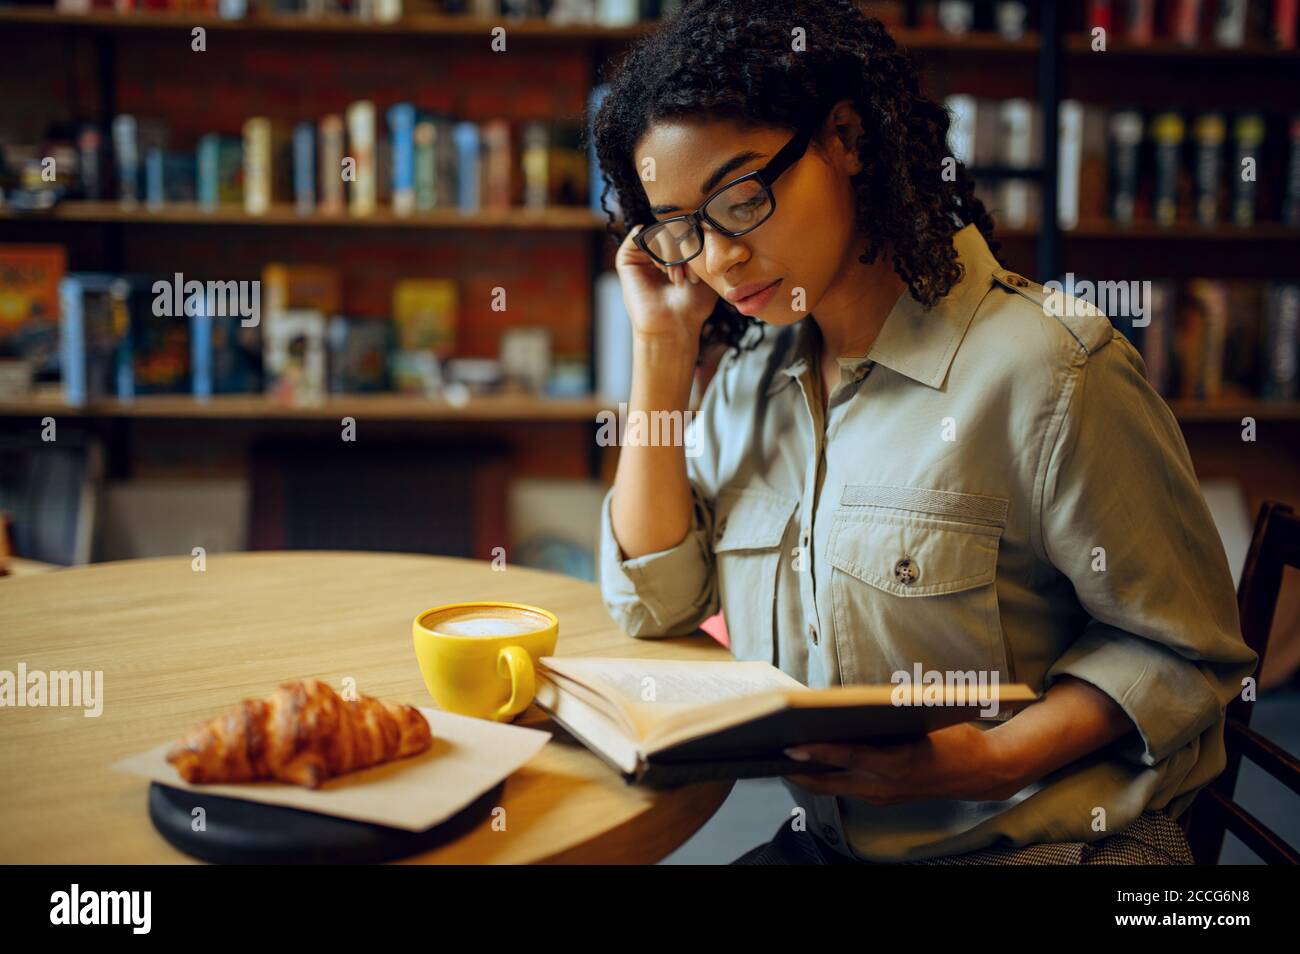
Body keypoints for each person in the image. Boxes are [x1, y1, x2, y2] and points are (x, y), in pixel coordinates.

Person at [590, 0, 1257, 864]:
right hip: (838, 845)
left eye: (741, 198)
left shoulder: (1049, 370)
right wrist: (662, 344)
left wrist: (987, 758)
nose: (717, 259)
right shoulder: (756, 375)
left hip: (1043, 844)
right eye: (682, 228)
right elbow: (658, 601)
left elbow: (1186, 651)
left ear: (846, 140)